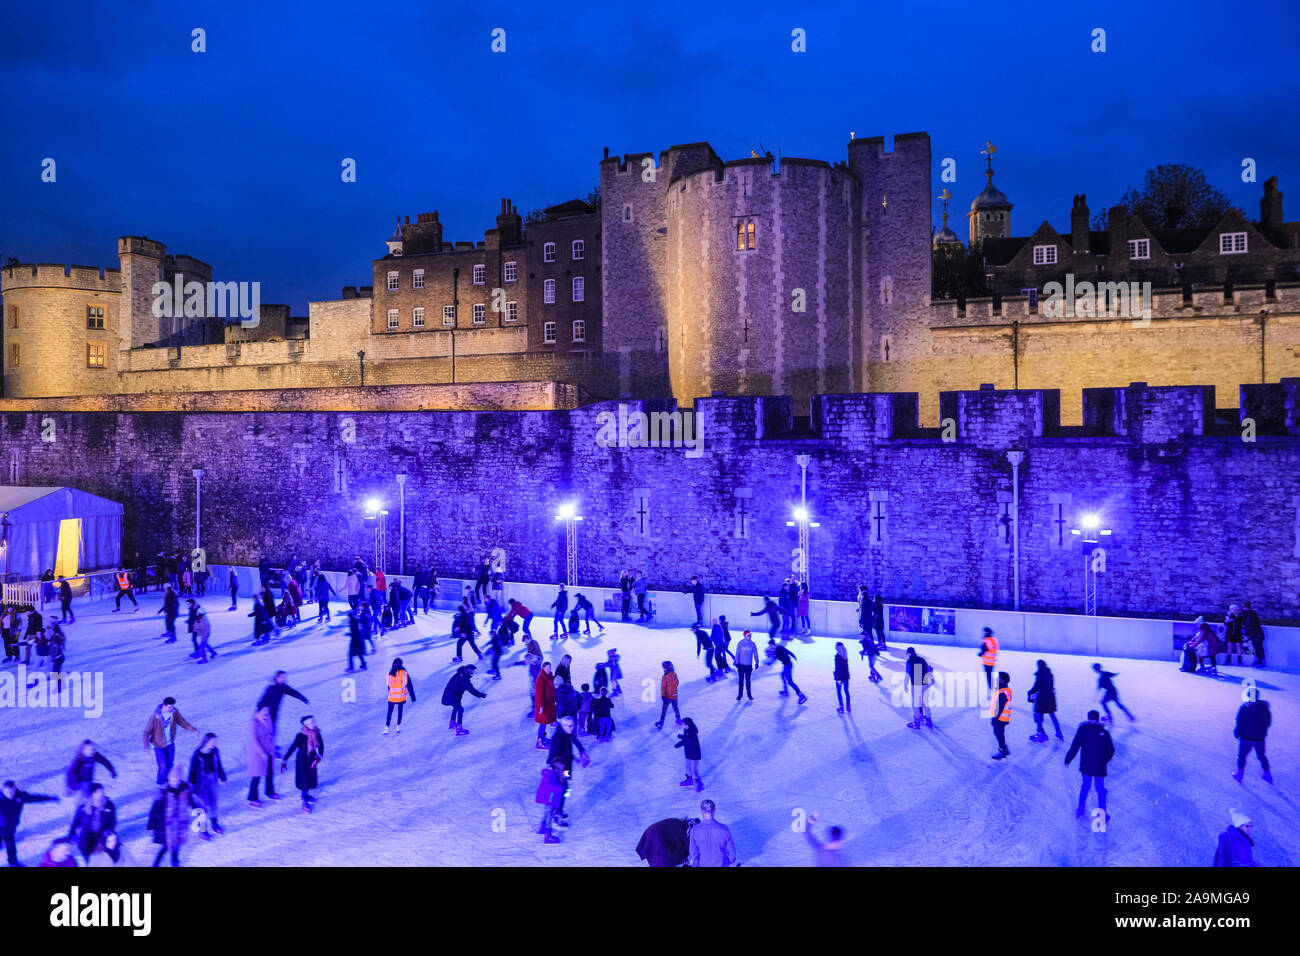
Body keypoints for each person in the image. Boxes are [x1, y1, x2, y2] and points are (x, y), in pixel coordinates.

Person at [1065, 710, 1115, 820]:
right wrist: (1104, 760)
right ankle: (1102, 815)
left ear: (1088, 718)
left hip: (1086, 766)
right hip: (1099, 767)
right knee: (1100, 789)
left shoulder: (1082, 730)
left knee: (1085, 787)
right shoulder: (1104, 733)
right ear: (1098, 719)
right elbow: (1111, 750)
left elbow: (1075, 746)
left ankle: (1080, 810)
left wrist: (1068, 759)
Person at [149, 763, 197, 866]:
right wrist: (152, 826)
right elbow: (154, 810)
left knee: (177, 843)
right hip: (166, 825)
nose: (173, 781)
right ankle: (156, 863)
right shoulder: (163, 792)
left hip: (180, 823)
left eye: (176, 779)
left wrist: (198, 809)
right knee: (166, 846)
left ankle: (175, 860)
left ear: (179, 779)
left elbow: (191, 801)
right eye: (172, 779)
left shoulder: (185, 790)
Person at [143, 697, 198, 785]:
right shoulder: (155, 717)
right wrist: (146, 745)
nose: (172, 709)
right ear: (164, 706)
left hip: (170, 743)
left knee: (170, 764)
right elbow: (146, 731)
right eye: (169, 707)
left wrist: (193, 729)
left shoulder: (174, 713)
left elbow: (182, 722)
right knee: (163, 765)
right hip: (158, 745)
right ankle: (160, 783)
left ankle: (168, 782)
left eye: (172, 707)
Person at [1, 780, 57, 867]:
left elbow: (35, 798)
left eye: (11, 791)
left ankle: (12, 862)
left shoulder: (20, 796)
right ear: (3, 790)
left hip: (10, 828)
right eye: (7, 792)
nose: (9, 794)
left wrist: (51, 798)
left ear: (15, 789)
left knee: (11, 847)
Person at [257, 671, 309, 754]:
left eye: (284, 677)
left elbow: (293, 692)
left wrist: (303, 699)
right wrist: (260, 712)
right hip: (266, 714)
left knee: (273, 731)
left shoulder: (283, 687)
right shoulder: (271, 688)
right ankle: (269, 750)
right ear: (276, 678)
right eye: (282, 677)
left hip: (275, 713)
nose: (284, 679)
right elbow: (262, 701)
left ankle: (271, 746)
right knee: (268, 733)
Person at [282, 715, 324, 813]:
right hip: (302, 761)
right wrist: (285, 760)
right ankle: (304, 801)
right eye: (310, 723)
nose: (313, 724)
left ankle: (306, 795)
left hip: (312, 759)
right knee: (304, 780)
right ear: (306, 725)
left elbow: (321, 745)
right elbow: (292, 748)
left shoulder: (317, 733)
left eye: (314, 722)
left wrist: (319, 756)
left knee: (311, 779)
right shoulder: (300, 736)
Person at [188, 733, 227, 836]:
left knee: (213, 803)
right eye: (213, 741)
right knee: (202, 807)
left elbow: (219, 765)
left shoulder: (215, 751)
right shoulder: (197, 755)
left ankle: (214, 823)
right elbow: (191, 772)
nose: (215, 743)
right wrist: (191, 787)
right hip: (201, 784)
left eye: (215, 741)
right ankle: (202, 829)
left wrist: (222, 777)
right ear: (207, 741)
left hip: (212, 780)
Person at [66, 783, 116, 862]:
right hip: (87, 835)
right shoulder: (84, 808)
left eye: (101, 792)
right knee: (86, 850)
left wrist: (109, 832)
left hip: (102, 834)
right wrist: (68, 838)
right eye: (97, 792)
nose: (101, 794)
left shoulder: (109, 805)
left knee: (102, 855)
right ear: (92, 794)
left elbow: (112, 822)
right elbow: (75, 824)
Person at [1233, 692, 1272, 783]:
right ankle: (1267, 775)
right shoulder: (1264, 707)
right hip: (1259, 738)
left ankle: (1239, 775)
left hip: (1246, 738)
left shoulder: (1245, 707)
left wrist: (1237, 733)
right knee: (1261, 756)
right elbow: (1268, 722)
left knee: (1242, 756)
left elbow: (1240, 722)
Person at [441, 664, 487, 735]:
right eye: (472, 671)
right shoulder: (464, 679)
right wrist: (481, 695)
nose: (472, 673)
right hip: (452, 696)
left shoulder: (459, 674)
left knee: (456, 707)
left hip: (450, 695)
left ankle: (452, 723)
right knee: (460, 709)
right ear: (468, 670)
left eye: (473, 671)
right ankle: (459, 729)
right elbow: (471, 689)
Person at [689, 799, 736, 867]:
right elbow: (732, 854)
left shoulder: (695, 830)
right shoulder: (724, 829)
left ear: (702, 811)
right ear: (714, 811)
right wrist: (728, 861)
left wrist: (696, 864)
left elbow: (693, 853)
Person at [247, 706, 278, 807]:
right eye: (264, 710)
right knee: (257, 775)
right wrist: (261, 752)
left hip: (269, 749)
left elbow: (271, 734)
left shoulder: (269, 718)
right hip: (257, 752)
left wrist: (273, 749)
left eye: (267, 710)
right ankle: (253, 798)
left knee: (270, 773)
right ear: (258, 711)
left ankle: (270, 792)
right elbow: (253, 739)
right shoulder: (254, 722)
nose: (266, 712)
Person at [1027, 660, 1063, 741]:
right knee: (1052, 714)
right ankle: (1059, 731)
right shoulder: (1050, 674)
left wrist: (1030, 692)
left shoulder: (1040, 674)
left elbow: (1036, 686)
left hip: (1042, 698)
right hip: (1051, 697)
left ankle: (1041, 733)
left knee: (1037, 714)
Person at [534, 757, 568, 844]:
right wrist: (561, 785)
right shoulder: (551, 773)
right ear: (556, 765)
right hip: (549, 796)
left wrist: (563, 777)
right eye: (561, 766)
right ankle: (547, 836)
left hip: (551, 796)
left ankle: (543, 827)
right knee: (549, 813)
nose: (563, 768)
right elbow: (552, 786)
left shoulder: (556, 771)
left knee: (549, 812)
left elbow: (564, 778)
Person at [383, 658, 416, 734]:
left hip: (392, 697)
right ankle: (398, 727)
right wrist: (412, 697)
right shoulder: (404, 673)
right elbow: (409, 686)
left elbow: (389, 686)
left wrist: (390, 693)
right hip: (401, 697)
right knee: (400, 711)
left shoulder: (389, 674)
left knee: (389, 713)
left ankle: (386, 728)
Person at [770, 639, 807, 704]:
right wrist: (793, 656)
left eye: (771, 646)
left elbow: (781, 656)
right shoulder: (780, 647)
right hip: (787, 665)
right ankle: (786, 692)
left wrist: (774, 657)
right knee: (782, 675)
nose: (771, 647)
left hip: (787, 666)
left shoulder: (778, 650)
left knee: (790, 682)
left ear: (772, 645)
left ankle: (801, 695)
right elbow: (788, 652)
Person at [675, 717, 703, 791]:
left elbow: (690, 740)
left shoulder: (693, 732)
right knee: (687, 768)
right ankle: (689, 780)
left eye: (683, 724)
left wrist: (681, 736)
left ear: (687, 725)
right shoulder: (686, 729)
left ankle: (699, 784)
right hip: (688, 752)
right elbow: (686, 740)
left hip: (695, 754)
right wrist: (679, 744)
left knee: (694, 770)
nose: (682, 725)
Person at [534, 661, 556, 748]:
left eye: (550, 668)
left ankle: (542, 737)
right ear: (543, 668)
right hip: (543, 706)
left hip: (549, 705)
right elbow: (539, 694)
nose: (549, 670)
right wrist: (541, 706)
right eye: (547, 668)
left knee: (545, 722)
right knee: (543, 723)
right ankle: (539, 741)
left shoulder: (549, 676)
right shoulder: (540, 679)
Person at [990, 671, 1012, 760]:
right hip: (1002, 717)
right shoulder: (1004, 690)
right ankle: (1004, 749)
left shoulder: (1003, 693)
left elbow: (1000, 708)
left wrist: (995, 719)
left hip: (1000, 718)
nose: (997, 679)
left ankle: (1003, 751)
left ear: (1002, 680)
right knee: (999, 733)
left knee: (998, 733)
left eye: (999, 678)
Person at [654, 660, 681, 729]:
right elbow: (677, 683)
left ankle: (661, 722)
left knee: (664, 709)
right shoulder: (674, 674)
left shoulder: (665, 677)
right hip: (675, 695)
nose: (663, 668)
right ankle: (679, 720)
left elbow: (663, 687)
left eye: (664, 667)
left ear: (666, 668)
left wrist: (663, 696)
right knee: (676, 708)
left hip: (667, 697)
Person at [734, 630, 759, 701]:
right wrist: (737, 663)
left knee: (748, 681)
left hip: (748, 666)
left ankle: (749, 695)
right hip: (741, 665)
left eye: (750, 635)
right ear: (745, 636)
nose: (750, 636)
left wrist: (757, 662)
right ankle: (740, 695)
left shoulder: (753, 644)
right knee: (741, 681)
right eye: (748, 635)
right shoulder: (740, 643)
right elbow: (737, 653)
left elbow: (756, 654)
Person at [1241, 601, 1266, 667]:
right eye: (1243, 607)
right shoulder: (1245, 614)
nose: (1244, 608)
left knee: (1259, 647)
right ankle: (1258, 660)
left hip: (1258, 633)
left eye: (1245, 607)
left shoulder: (1252, 614)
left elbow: (1252, 624)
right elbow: (1245, 623)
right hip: (1253, 634)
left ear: (1248, 607)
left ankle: (1262, 661)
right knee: (1256, 647)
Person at [977, 627, 998, 695]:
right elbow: (994, 649)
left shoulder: (986, 641)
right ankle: (993, 688)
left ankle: (991, 690)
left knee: (988, 676)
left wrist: (979, 654)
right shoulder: (994, 640)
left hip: (987, 662)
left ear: (986, 632)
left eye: (984, 632)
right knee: (991, 675)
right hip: (993, 661)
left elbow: (983, 651)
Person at [346, 608, 367, 672]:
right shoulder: (355, 621)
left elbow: (355, 632)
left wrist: (350, 634)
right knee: (359, 653)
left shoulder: (352, 623)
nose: (348, 619)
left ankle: (351, 668)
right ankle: (363, 665)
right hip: (358, 640)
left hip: (355, 641)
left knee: (350, 654)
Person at [833, 642, 852, 715]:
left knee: (839, 692)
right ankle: (848, 707)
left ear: (838, 647)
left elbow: (838, 668)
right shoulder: (845, 655)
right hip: (846, 677)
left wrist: (838, 679)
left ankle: (841, 708)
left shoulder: (837, 656)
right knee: (846, 692)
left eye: (836, 646)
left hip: (840, 677)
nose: (835, 647)